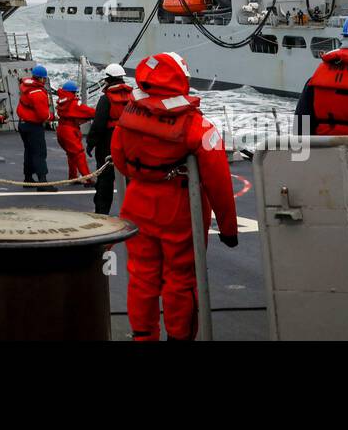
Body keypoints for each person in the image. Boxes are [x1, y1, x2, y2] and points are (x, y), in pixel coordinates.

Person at [111, 51, 238, 341]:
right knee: (180, 280)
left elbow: (118, 159)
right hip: (178, 209)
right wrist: (228, 229)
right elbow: (218, 181)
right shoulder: (198, 127)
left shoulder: (127, 118)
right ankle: (180, 337)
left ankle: (143, 336)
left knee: (141, 278)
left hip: (136, 203)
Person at [86, 63, 134, 214]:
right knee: (129, 180)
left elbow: (98, 124)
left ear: (108, 79)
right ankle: (132, 213)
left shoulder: (105, 99)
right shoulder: (132, 97)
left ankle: (102, 213)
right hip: (128, 141)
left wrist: (90, 143)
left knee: (104, 181)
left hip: (108, 143)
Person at [16, 64, 55, 191]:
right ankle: (42, 182)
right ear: (41, 79)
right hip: (33, 126)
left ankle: (28, 178)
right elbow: (43, 115)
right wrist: (53, 117)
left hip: (22, 124)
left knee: (29, 152)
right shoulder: (38, 93)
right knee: (39, 152)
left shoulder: (25, 87)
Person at [54, 80, 97, 184]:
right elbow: (87, 111)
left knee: (71, 154)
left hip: (61, 130)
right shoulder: (73, 103)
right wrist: (99, 113)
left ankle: (73, 177)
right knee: (79, 154)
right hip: (70, 131)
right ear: (73, 92)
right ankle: (88, 179)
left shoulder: (61, 101)